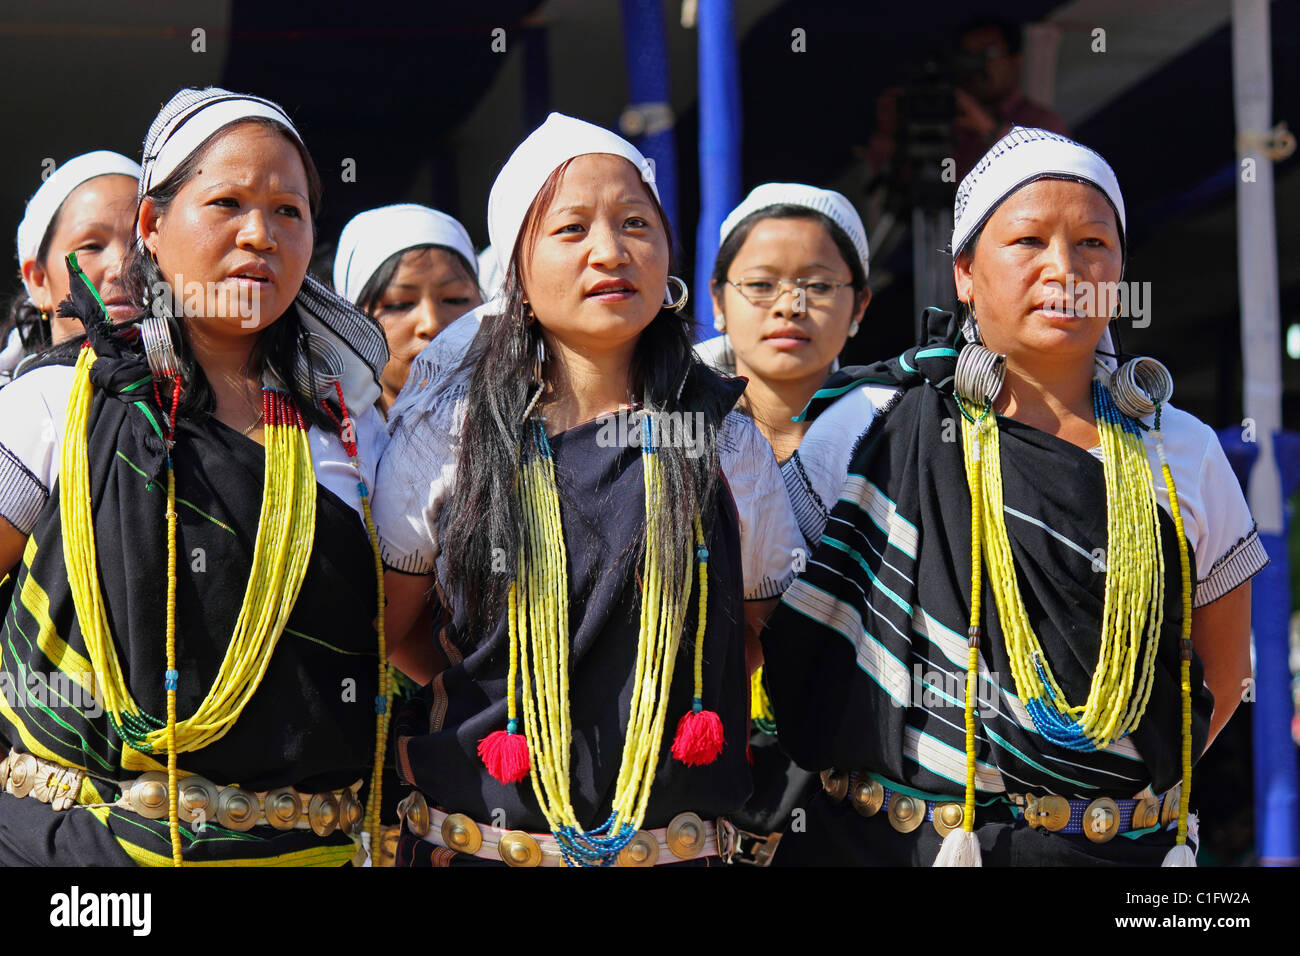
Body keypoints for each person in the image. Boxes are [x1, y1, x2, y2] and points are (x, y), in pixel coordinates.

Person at [762, 126, 1264, 866]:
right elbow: (775, 620)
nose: (1064, 268)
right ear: (965, 273)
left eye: (1094, 243)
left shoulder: (1180, 448)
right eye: (1028, 242)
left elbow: (1222, 676)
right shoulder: (871, 429)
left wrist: (1098, 795)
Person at [372, 112, 802, 867]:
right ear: (518, 275)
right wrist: (508, 690)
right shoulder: (452, 432)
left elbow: (748, 631)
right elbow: (392, 628)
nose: (610, 251)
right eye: (571, 230)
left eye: (636, 222)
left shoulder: (721, 435)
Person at [0, 87, 392, 866]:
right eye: (227, 203)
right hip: (79, 859)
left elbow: (408, 639)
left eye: (289, 211)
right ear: (152, 224)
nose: (260, 235)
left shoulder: (353, 431)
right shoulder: (59, 402)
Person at [696, 183, 871, 465]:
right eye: (760, 284)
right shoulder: (662, 434)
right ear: (718, 300)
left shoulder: (893, 438)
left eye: (818, 286)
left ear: (860, 303)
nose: (790, 307)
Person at [334, 204, 483, 415]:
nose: (431, 324)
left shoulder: (527, 432)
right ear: (352, 321)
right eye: (399, 304)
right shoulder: (324, 443)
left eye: (454, 299)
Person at [5, 151, 140, 380]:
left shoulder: (207, 399)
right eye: (91, 246)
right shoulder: (16, 408)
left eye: (139, 245)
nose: (122, 268)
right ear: (38, 280)